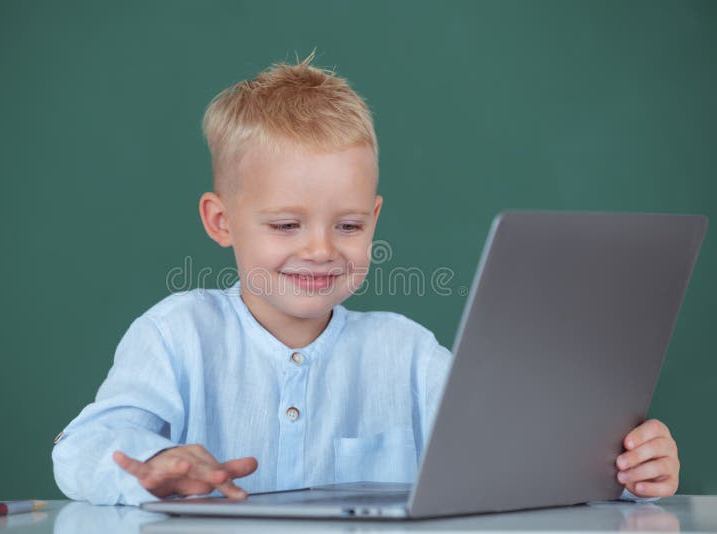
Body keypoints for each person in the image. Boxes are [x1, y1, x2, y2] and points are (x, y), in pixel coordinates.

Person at [51, 51, 680, 506]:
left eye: (348, 226)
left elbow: (515, 460)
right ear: (221, 222)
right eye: (286, 225)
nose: (320, 250)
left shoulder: (403, 351)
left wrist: (624, 473)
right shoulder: (175, 335)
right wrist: (156, 464)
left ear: (374, 220)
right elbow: (83, 449)